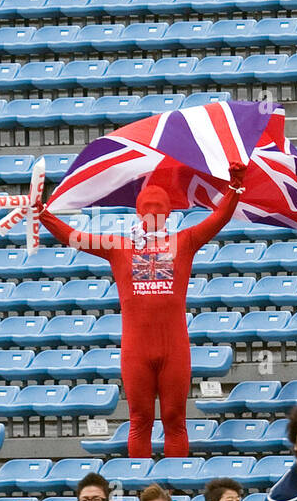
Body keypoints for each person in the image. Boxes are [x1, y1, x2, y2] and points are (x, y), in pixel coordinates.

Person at [37, 162, 246, 458]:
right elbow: (72, 237)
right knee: (140, 421)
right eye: (148, 209)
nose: (153, 214)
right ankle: (141, 496)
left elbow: (221, 216)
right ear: (138, 212)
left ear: (169, 214)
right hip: (138, 350)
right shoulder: (118, 246)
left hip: (173, 348)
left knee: (175, 421)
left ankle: (176, 497)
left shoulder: (183, 241)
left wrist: (236, 184)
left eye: (159, 209)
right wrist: (43, 214)